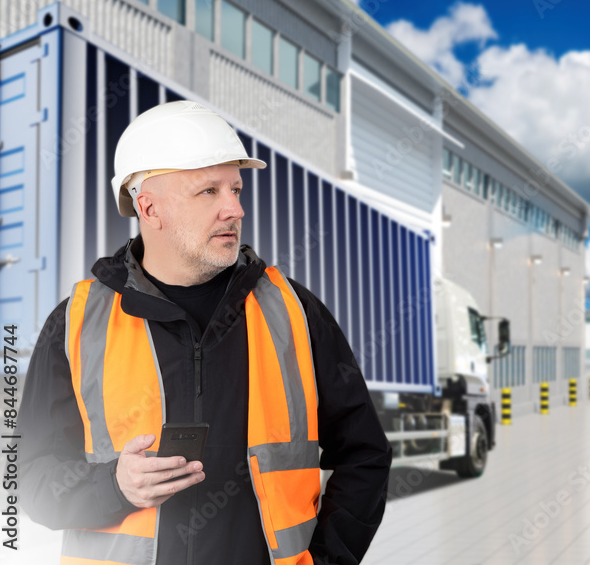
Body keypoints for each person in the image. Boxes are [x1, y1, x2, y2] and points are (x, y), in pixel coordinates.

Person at [20, 101, 393, 565]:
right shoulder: (76, 323)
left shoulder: (293, 311)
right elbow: (29, 479)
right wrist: (113, 486)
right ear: (149, 208)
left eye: (236, 189)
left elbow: (365, 456)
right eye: (209, 191)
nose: (235, 209)